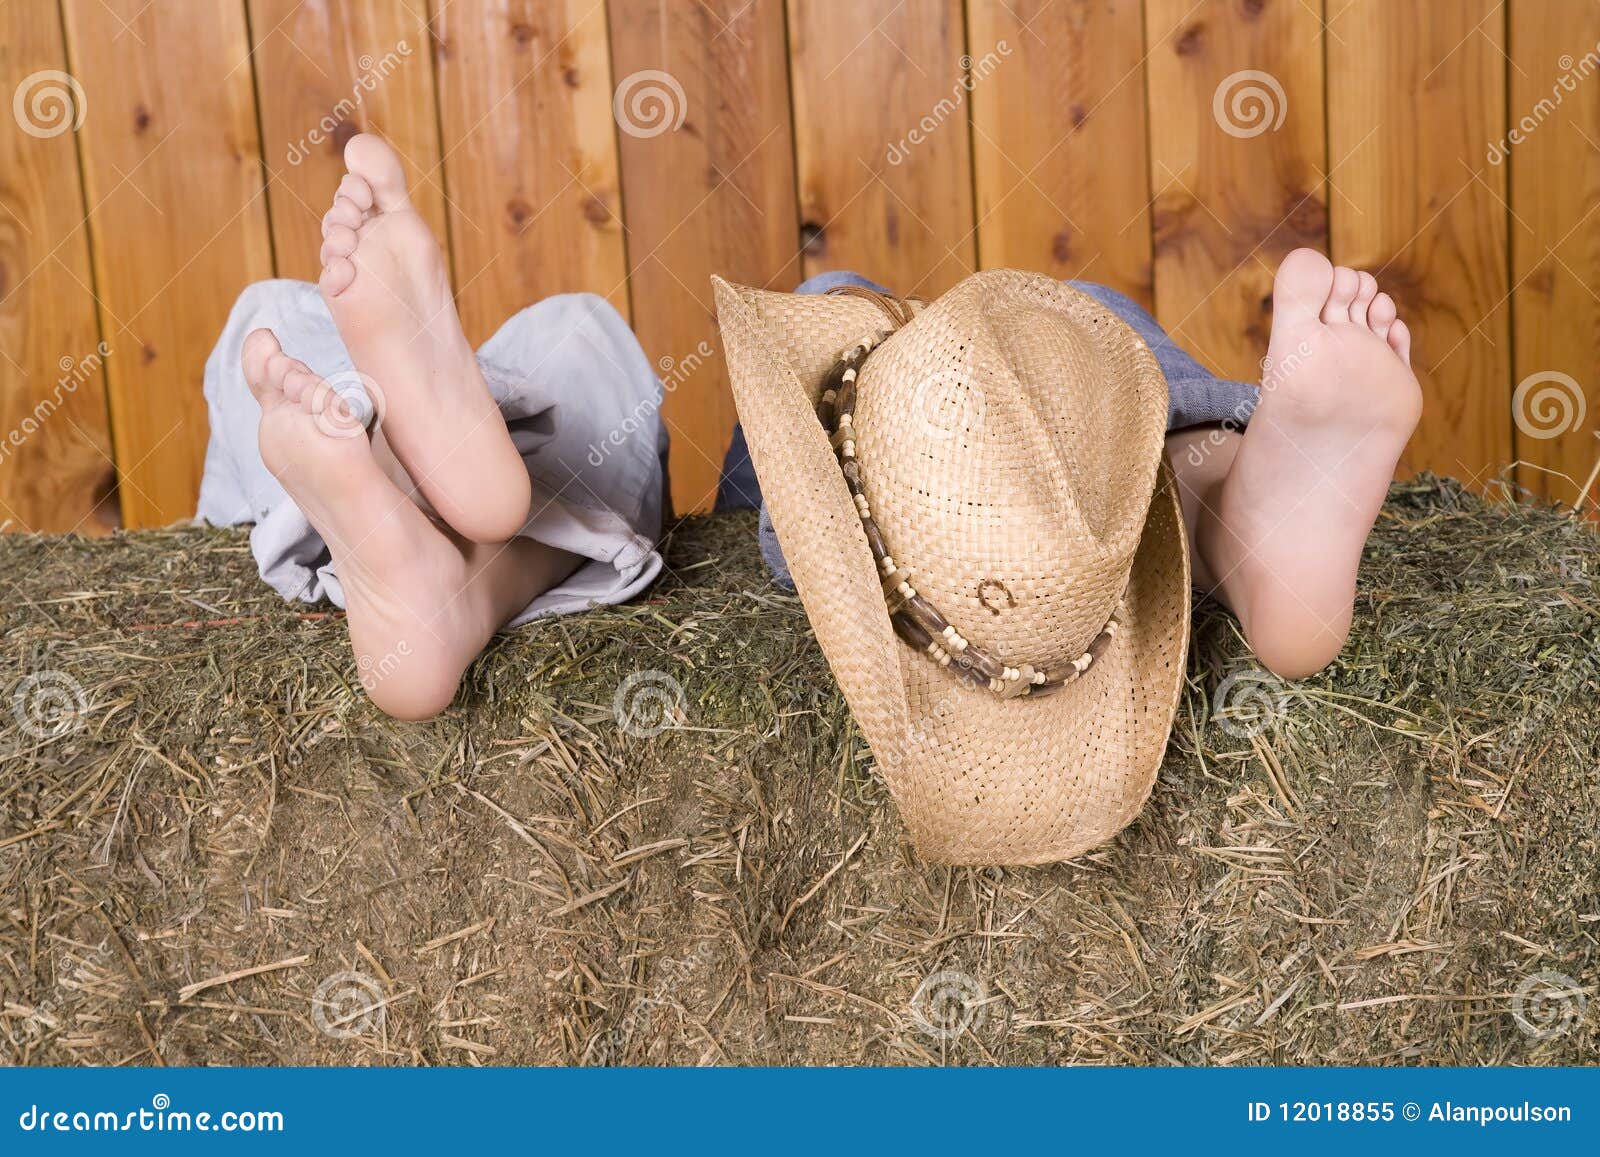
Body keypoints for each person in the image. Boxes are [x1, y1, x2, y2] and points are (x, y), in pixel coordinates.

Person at [718, 254, 1421, 682]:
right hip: (993, 533)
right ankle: (1207, 491)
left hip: (922, 561)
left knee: (819, 341)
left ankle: (1206, 503)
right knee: (1086, 315)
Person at [197, 135, 665, 719]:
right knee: (580, 330)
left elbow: (221, 518)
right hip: (533, 475)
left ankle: (385, 450)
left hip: (317, 507)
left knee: (271, 315)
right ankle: (434, 518)